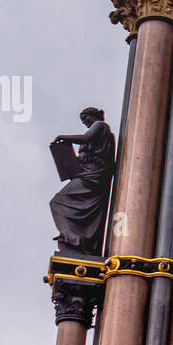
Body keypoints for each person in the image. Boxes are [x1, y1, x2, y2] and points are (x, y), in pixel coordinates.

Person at [49, 108, 116, 257]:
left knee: (57, 202)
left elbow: (86, 138)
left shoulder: (100, 125)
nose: (85, 122)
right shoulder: (96, 131)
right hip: (87, 174)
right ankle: (75, 238)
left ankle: (72, 238)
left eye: (86, 118)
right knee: (57, 203)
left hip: (93, 176)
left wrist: (63, 137)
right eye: (83, 120)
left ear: (94, 116)